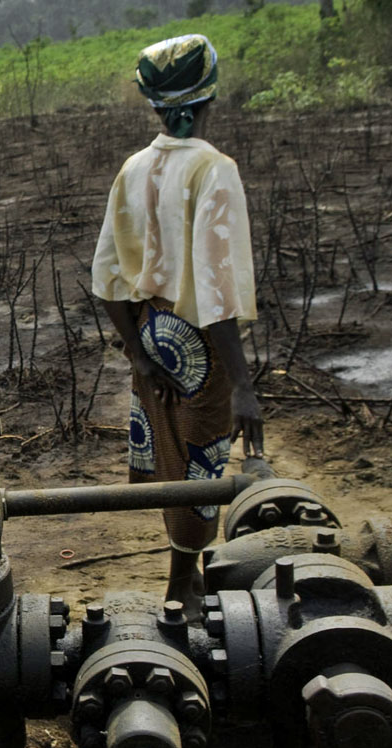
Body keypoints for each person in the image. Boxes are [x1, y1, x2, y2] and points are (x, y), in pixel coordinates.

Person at [91, 34, 264, 612]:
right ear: (207, 98)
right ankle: (182, 589)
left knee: (176, 455)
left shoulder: (133, 168)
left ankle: (185, 578)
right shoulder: (214, 169)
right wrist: (242, 383)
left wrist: (139, 355)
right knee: (203, 461)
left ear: (156, 105)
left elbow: (107, 274)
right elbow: (217, 289)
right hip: (199, 345)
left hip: (153, 335)